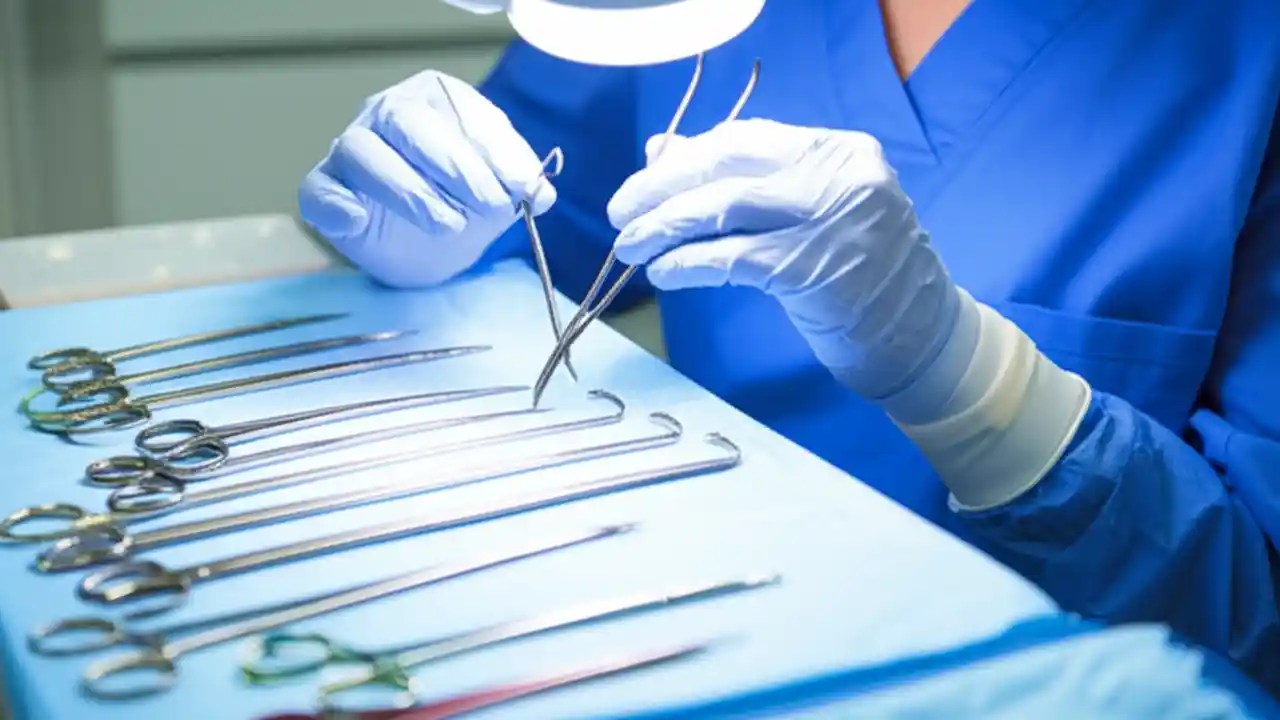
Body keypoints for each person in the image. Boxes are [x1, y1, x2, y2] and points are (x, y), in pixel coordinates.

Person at [298, 0, 1280, 694]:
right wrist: (423, 223)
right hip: (689, 635)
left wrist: (971, 383)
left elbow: (1258, 620)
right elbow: (549, 206)